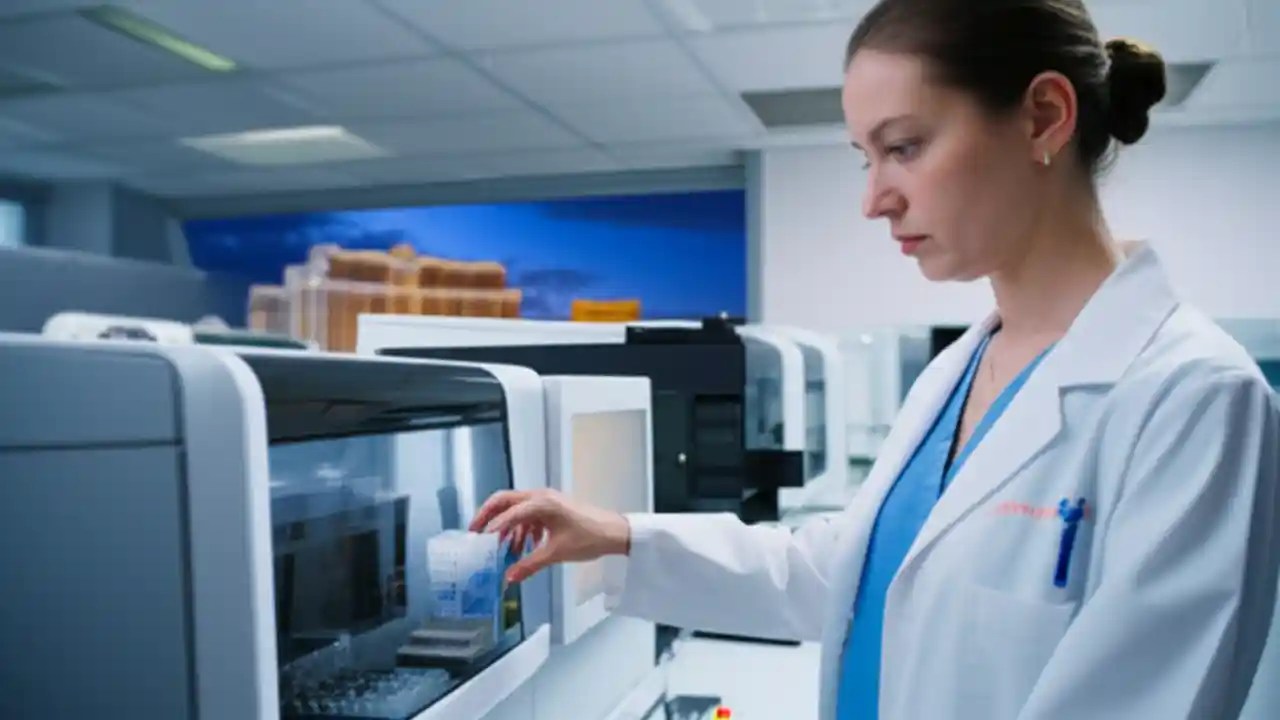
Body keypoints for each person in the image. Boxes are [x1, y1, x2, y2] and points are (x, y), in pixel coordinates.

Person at [472, 0, 1280, 717]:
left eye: (905, 147)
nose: (874, 199)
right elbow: (858, 576)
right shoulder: (957, 372)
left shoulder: (1195, 398)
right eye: (867, 157)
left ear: (1042, 117)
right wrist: (617, 535)